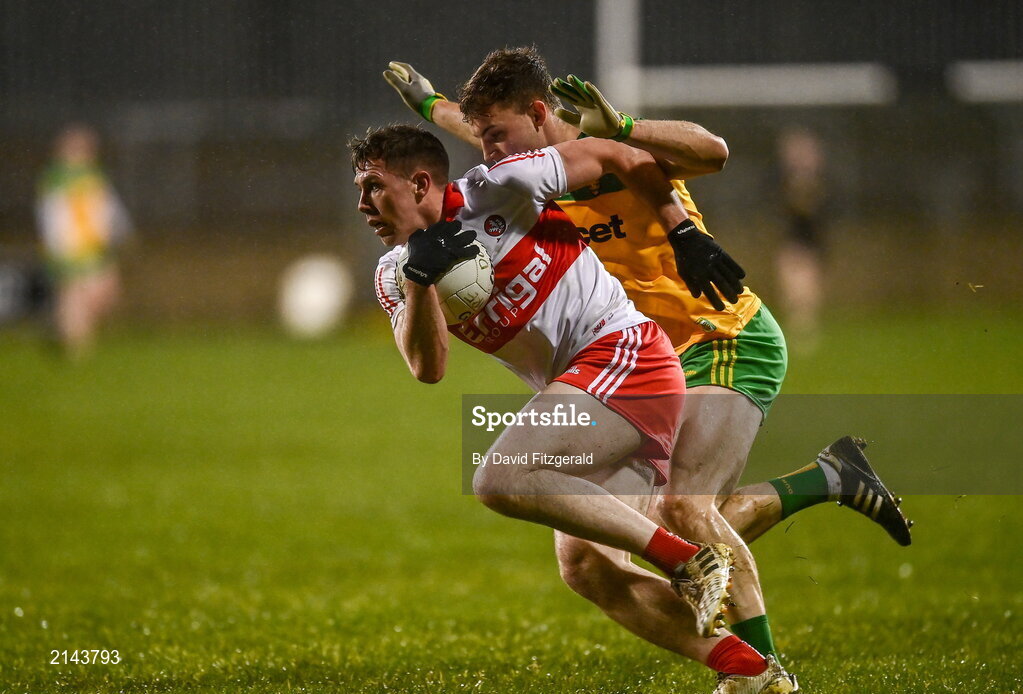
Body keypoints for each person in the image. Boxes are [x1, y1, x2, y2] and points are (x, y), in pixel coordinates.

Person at [384, 48, 911, 693]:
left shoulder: (598, 146)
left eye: (497, 136)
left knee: (686, 509)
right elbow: (466, 122)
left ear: (540, 114)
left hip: (718, 336)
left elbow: (712, 151)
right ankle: (828, 482)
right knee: (588, 559)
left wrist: (626, 129)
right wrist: (425, 102)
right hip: (631, 361)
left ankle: (765, 674)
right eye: (482, 136)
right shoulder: (514, 163)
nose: (485, 151)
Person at [353, 123, 796, 686]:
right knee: (589, 568)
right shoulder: (392, 274)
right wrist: (420, 277)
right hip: (587, 391)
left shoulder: (500, 187)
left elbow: (613, 153)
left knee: (501, 477)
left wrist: (680, 229)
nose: (363, 204)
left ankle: (687, 560)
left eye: (372, 186)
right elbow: (427, 367)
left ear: (420, 183)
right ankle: (751, 670)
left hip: (629, 355)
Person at [36, 124, 131, 359]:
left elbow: (108, 207)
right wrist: (56, 244)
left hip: (95, 245)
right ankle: (76, 351)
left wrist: (121, 230)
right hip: (70, 247)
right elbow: (50, 214)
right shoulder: (56, 179)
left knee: (106, 293)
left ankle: (64, 332)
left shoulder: (94, 176)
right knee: (73, 297)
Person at [774, 128, 829, 355]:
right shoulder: (784, 181)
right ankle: (797, 331)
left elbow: (814, 213)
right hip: (792, 244)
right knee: (791, 289)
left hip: (811, 246)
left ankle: (805, 333)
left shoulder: (820, 182)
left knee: (807, 291)